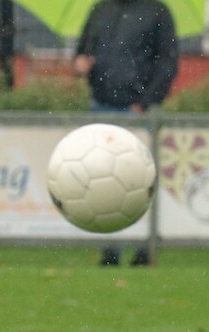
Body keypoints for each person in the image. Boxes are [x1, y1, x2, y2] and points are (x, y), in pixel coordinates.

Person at [73, 0, 178, 267]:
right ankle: (111, 250)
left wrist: (145, 102)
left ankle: (143, 247)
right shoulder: (99, 10)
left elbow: (167, 64)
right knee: (104, 181)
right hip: (101, 106)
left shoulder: (158, 12)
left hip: (137, 113)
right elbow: (82, 51)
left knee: (137, 181)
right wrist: (81, 64)